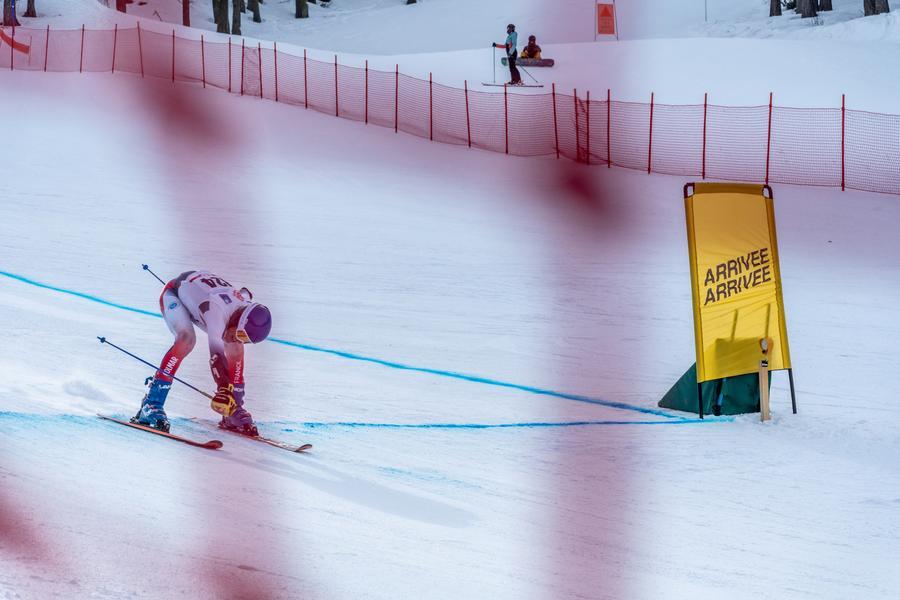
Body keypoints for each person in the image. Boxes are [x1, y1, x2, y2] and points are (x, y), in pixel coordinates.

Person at [132, 270, 273, 436]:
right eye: (241, 333)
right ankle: (151, 404)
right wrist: (223, 389)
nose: (239, 338)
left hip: (198, 292)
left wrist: (228, 396)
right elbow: (216, 356)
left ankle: (234, 407)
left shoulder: (243, 308)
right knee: (186, 340)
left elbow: (245, 293)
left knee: (234, 345)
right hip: (174, 294)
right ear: (239, 319)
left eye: (245, 338)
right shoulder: (216, 312)